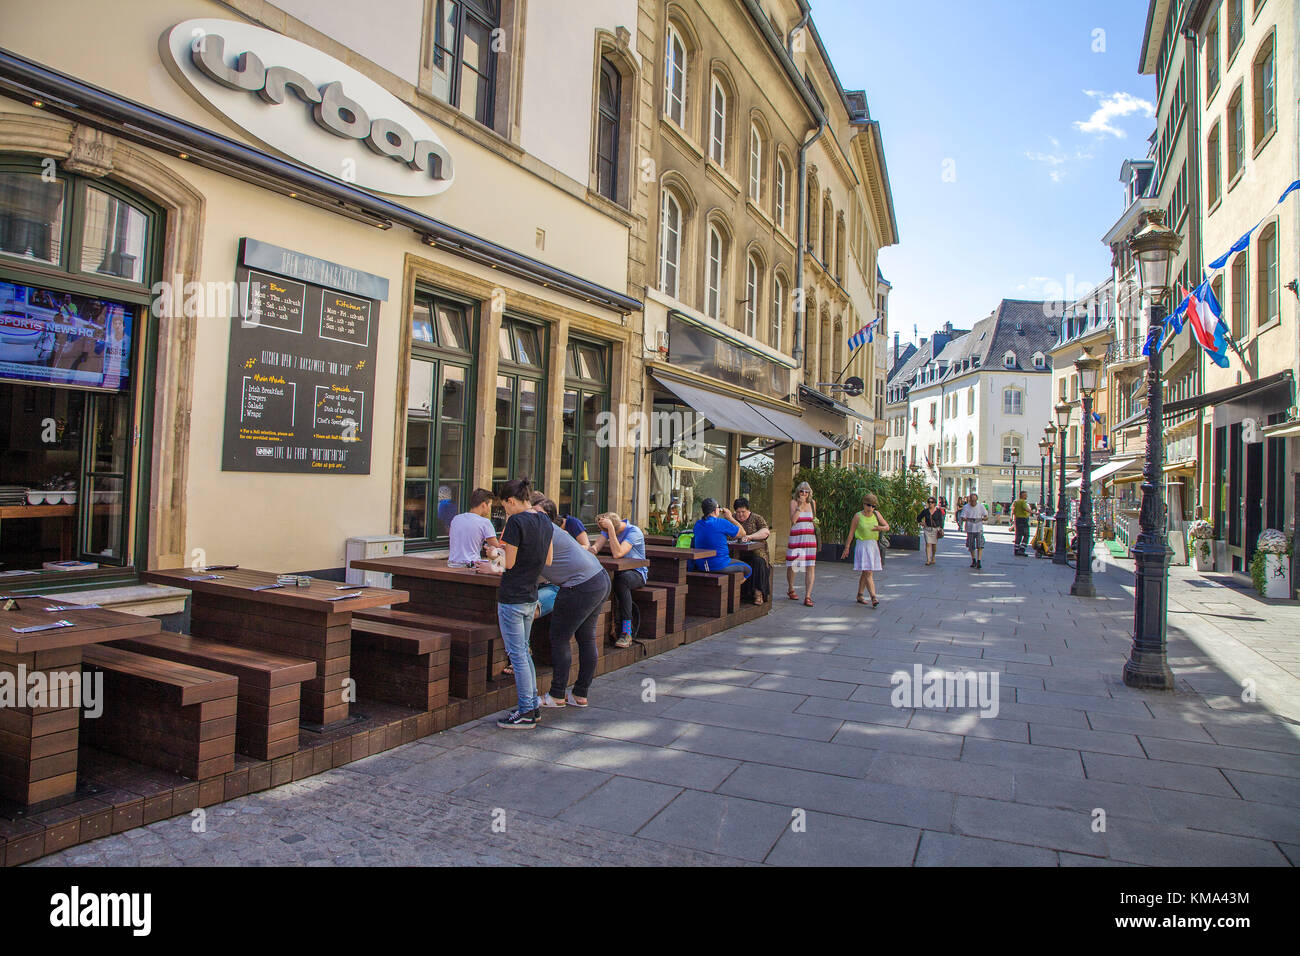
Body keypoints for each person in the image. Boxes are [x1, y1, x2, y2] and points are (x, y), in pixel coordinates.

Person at [535, 500, 610, 709]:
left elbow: (534, 567)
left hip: (580, 585)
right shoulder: (553, 531)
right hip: (599, 578)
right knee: (586, 637)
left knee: (559, 637)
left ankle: (557, 695)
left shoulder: (541, 532)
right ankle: (580, 694)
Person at [493, 477, 554, 729]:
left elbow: (508, 563)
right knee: (524, 653)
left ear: (510, 501)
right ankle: (532, 706)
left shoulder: (515, 521)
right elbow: (548, 560)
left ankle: (526, 710)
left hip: (512, 596)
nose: (504, 510)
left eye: (504, 506)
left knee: (517, 655)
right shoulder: (545, 521)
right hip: (532, 595)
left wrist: (497, 553)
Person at [589, 511, 647, 648]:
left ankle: (627, 631)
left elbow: (618, 553)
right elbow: (595, 548)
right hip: (619, 572)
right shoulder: (608, 531)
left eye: (606, 529)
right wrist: (584, 550)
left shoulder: (634, 532)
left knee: (621, 582)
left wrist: (610, 530)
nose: (604, 533)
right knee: (605, 579)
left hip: (637, 573)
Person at [842, 493, 889, 607]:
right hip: (862, 545)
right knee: (868, 571)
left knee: (866, 571)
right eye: (869, 505)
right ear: (864, 504)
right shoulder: (858, 516)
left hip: (873, 545)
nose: (871, 508)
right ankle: (873, 597)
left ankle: (860, 594)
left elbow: (887, 526)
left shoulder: (876, 514)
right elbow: (851, 533)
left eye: (873, 506)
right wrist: (847, 547)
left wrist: (880, 528)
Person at [691, 498, 752, 580]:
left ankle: (726, 589)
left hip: (701, 565)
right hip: (719, 565)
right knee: (748, 570)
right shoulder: (721, 522)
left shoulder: (698, 524)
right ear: (715, 510)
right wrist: (730, 517)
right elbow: (742, 533)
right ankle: (733, 591)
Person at [446, 488, 501, 567]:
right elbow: (496, 549)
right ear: (484, 505)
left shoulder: (456, 519)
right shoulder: (485, 522)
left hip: (452, 564)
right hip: (471, 565)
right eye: (490, 505)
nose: (490, 509)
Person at [733, 497, 771, 605]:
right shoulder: (732, 519)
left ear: (748, 510)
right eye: (738, 512)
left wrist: (750, 537)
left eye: (743, 512)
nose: (740, 515)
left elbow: (765, 531)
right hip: (737, 553)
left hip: (756, 553)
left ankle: (758, 594)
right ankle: (735, 594)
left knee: (758, 562)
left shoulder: (757, 518)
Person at [785, 481, 817, 607]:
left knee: (810, 566)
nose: (804, 493)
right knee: (793, 565)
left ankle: (808, 596)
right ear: (798, 492)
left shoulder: (813, 503)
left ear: (809, 493)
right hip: (796, 537)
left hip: (809, 538)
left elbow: (814, 520)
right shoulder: (793, 502)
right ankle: (791, 588)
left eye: (806, 491)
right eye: (802, 491)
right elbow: (793, 520)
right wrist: (800, 506)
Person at [958, 492, 990, 570]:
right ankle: (973, 560)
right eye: (972, 501)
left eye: (975, 501)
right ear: (969, 500)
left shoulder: (981, 506)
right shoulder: (966, 507)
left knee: (980, 544)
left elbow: (986, 516)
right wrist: (968, 519)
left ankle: (979, 560)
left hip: (979, 528)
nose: (973, 502)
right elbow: (962, 517)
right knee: (971, 545)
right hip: (970, 528)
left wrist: (981, 519)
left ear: (977, 500)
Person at [918, 497, 943, 566]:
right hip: (927, 529)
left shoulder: (938, 511)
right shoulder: (925, 511)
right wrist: (921, 523)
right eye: (929, 502)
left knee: (934, 545)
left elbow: (941, 520)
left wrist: (941, 528)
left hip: (935, 529)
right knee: (928, 543)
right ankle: (928, 559)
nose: (930, 504)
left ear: (934, 503)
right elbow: (918, 517)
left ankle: (933, 557)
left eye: (931, 502)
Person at [1012, 490, 1031, 557]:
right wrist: (1034, 512)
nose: (1026, 496)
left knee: (1018, 535)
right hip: (1023, 519)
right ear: (1022, 495)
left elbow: (1013, 511)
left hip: (1017, 519)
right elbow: (1026, 509)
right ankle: (1022, 549)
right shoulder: (1023, 502)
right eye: (1025, 495)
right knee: (1026, 535)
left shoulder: (1016, 502)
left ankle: (1016, 550)